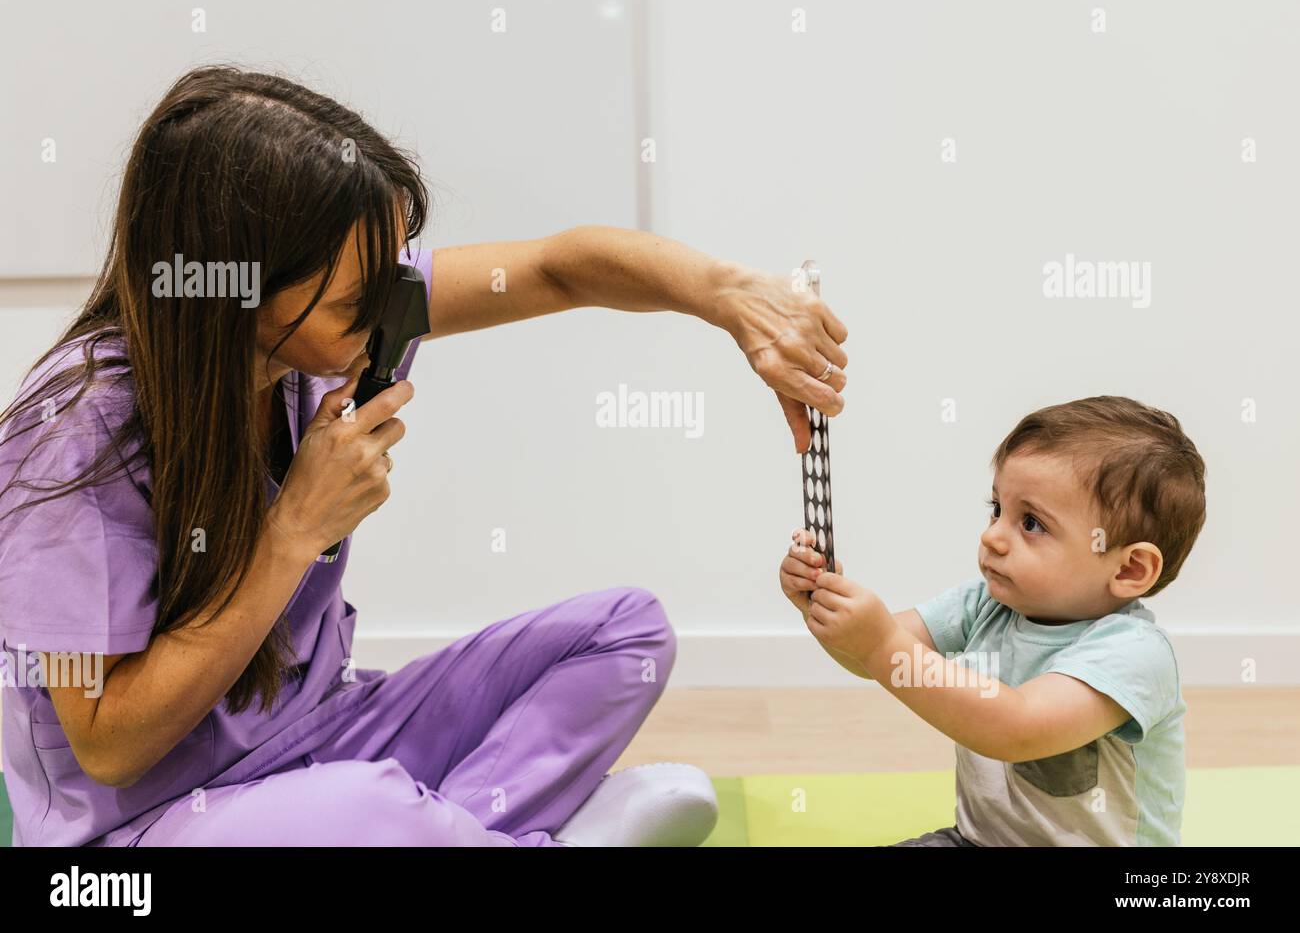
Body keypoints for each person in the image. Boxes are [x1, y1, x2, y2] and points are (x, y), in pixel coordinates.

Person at [0, 65, 849, 846]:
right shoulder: (72, 435)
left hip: (324, 737)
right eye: (359, 293)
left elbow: (559, 268)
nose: (396, 304)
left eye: (395, 271)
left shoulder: (336, 328)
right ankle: (493, 827)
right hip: (134, 840)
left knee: (624, 635)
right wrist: (294, 529)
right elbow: (109, 746)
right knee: (366, 809)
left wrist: (728, 296)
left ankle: (456, 832)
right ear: (238, 284)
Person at [779, 396, 1204, 845]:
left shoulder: (1134, 652)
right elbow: (869, 661)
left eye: (1032, 524)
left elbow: (1016, 728)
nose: (991, 536)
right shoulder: (986, 602)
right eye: (997, 508)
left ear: (1129, 569)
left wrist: (878, 641)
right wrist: (824, 609)